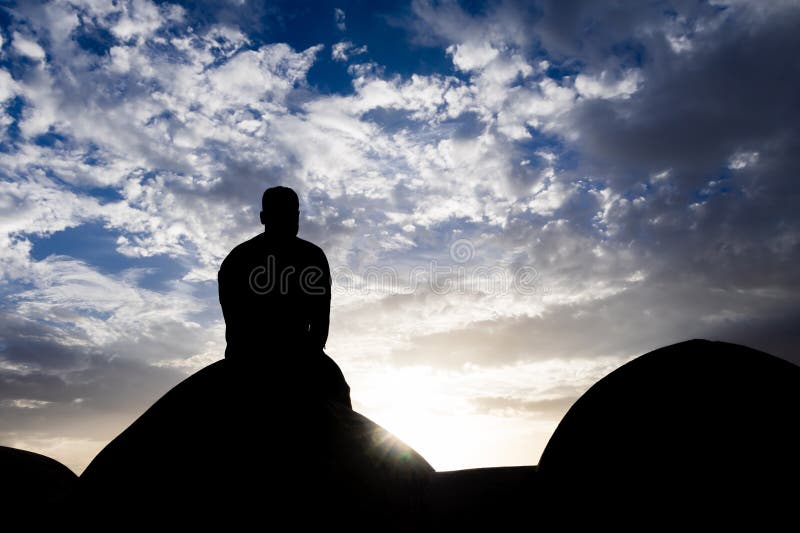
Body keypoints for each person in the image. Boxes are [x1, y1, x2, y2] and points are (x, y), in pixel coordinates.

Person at [218, 186, 350, 407]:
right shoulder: (239, 259)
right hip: (251, 356)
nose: (290, 219)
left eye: (293, 213)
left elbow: (320, 321)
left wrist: (309, 354)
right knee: (336, 391)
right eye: (283, 213)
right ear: (263, 217)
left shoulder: (312, 256)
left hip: (297, 354)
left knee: (337, 389)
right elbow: (234, 321)